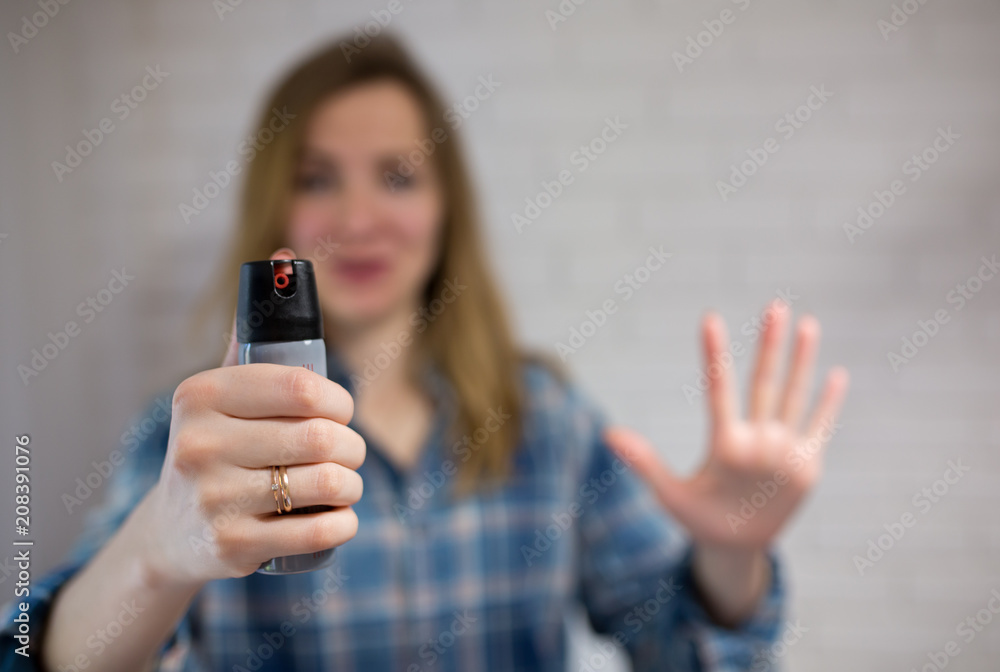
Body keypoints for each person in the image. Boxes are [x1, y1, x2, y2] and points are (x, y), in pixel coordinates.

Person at [0, 33, 848, 672]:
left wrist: (731, 552)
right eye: (318, 176)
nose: (359, 216)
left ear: (448, 210)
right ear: (276, 209)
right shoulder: (195, 441)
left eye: (397, 176)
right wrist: (157, 548)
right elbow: (37, 651)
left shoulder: (544, 422)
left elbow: (687, 650)